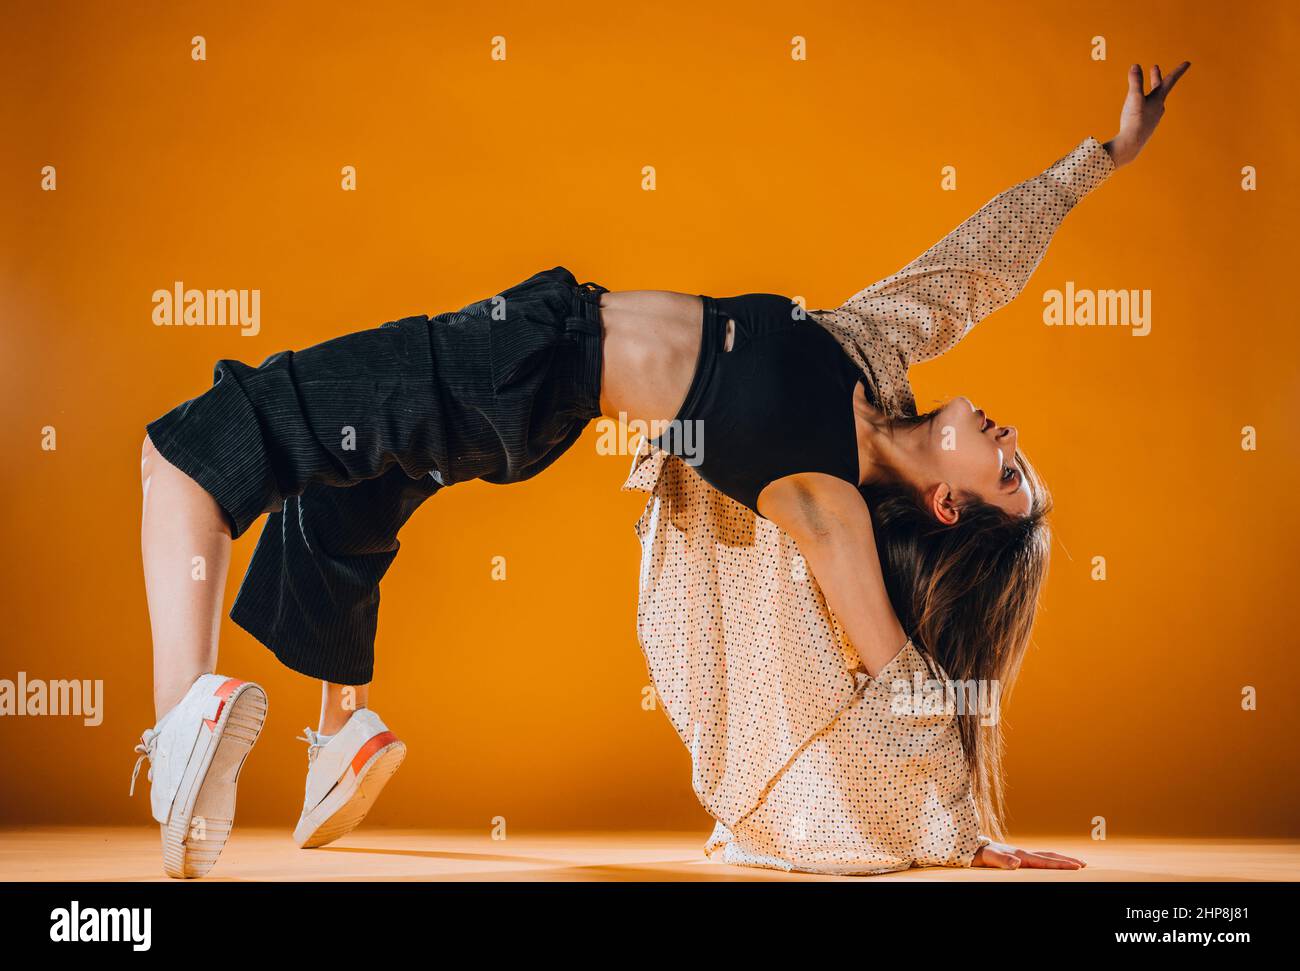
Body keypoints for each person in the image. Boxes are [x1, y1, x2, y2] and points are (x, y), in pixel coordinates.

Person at [133, 61, 1188, 877]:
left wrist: (964, 825)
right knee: (348, 485)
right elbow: (975, 265)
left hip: (517, 367)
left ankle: (182, 718)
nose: (1013, 442)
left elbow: (902, 687)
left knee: (197, 446)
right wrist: (1101, 158)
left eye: (1011, 475)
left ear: (948, 504)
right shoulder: (868, 354)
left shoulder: (825, 503)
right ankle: (340, 735)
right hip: (532, 359)